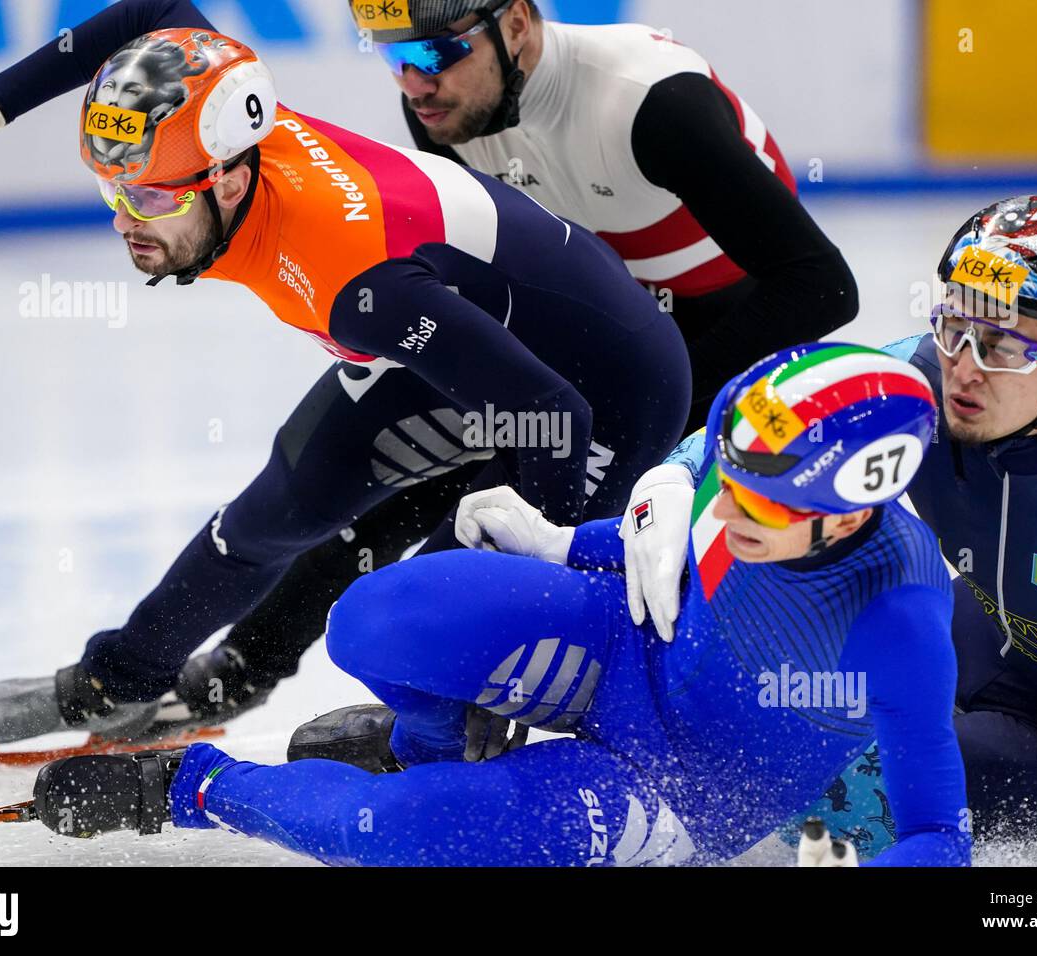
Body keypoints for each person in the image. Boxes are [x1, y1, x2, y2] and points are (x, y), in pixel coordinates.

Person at [0, 21, 691, 743]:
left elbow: (553, 413)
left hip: (609, 389)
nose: (124, 219)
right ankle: (117, 680)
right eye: (110, 188)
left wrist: (498, 621)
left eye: (149, 196)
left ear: (227, 180)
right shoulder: (217, 114)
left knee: (428, 605)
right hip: (469, 338)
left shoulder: (354, 280)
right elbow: (153, 13)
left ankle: (439, 714)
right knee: (276, 510)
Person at [28, 344, 971, 867]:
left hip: (677, 792)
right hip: (628, 642)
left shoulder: (900, 623)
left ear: (849, 516)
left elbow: (937, 836)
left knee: (393, 838)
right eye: (729, 475)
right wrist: (563, 544)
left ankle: (188, 788)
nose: (724, 505)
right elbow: (678, 539)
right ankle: (426, 750)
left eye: (759, 504)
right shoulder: (765, 454)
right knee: (374, 618)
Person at [221, 0, 865, 706]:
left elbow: (821, 288)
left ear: (518, 25)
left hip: (713, 336)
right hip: (582, 329)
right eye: (392, 57)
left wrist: (669, 400)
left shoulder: (652, 103)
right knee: (391, 471)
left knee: (494, 519)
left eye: (435, 55)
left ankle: (425, 711)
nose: (414, 84)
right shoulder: (447, 105)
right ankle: (241, 669)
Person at [621, 195, 1037, 853]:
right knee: (759, 644)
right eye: (954, 328)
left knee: (831, 795)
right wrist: (672, 478)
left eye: (1002, 347)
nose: (963, 368)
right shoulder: (919, 380)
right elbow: (779, 411)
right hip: (987, 638)